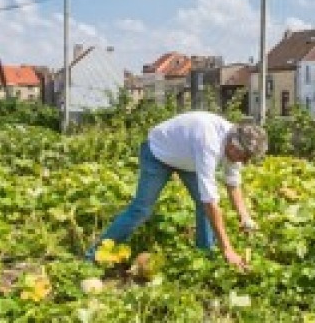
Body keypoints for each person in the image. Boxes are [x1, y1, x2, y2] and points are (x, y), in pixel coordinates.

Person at [90, 110, 268, 269]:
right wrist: (228, 249)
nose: (244, 162)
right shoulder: (210, 142)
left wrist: (245, 217)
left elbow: (233, 182)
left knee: (203, 205)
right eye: (244, 157)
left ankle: (204, 256)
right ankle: (93, 256)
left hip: (187, 157)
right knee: (141, 210)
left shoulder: (236, 142)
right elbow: (210, 202)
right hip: (158, 153)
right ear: (233, 145)